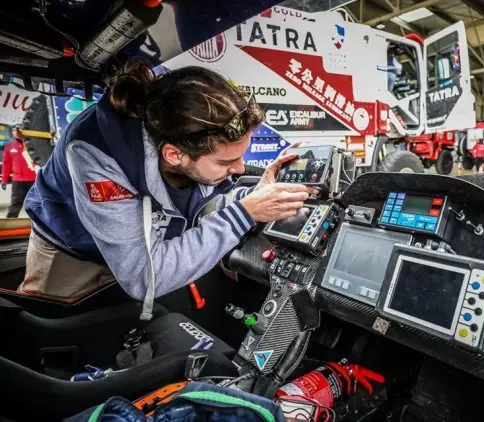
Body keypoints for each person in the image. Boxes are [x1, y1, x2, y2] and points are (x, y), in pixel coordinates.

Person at [19, 61, 314, 318]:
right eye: (227, 161)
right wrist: (242, 215)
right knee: (52, 338)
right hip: (71, 252)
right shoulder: (97, 156)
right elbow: (143, 278)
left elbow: (208, 203)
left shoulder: (184, 132)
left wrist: (253, 197)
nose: (239, 169)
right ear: (174, 155)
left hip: (140, 252)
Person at [1, 124, 37, 218]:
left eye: (19, 130)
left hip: (34, 180)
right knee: (15, 204)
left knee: (37, 204)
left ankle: (42, 227)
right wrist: (4, 180)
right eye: (13, 130)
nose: (16, 132)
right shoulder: (9, 146)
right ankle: (9, 225)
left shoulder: (34, 144)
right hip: (18, 181)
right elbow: (6, 165)